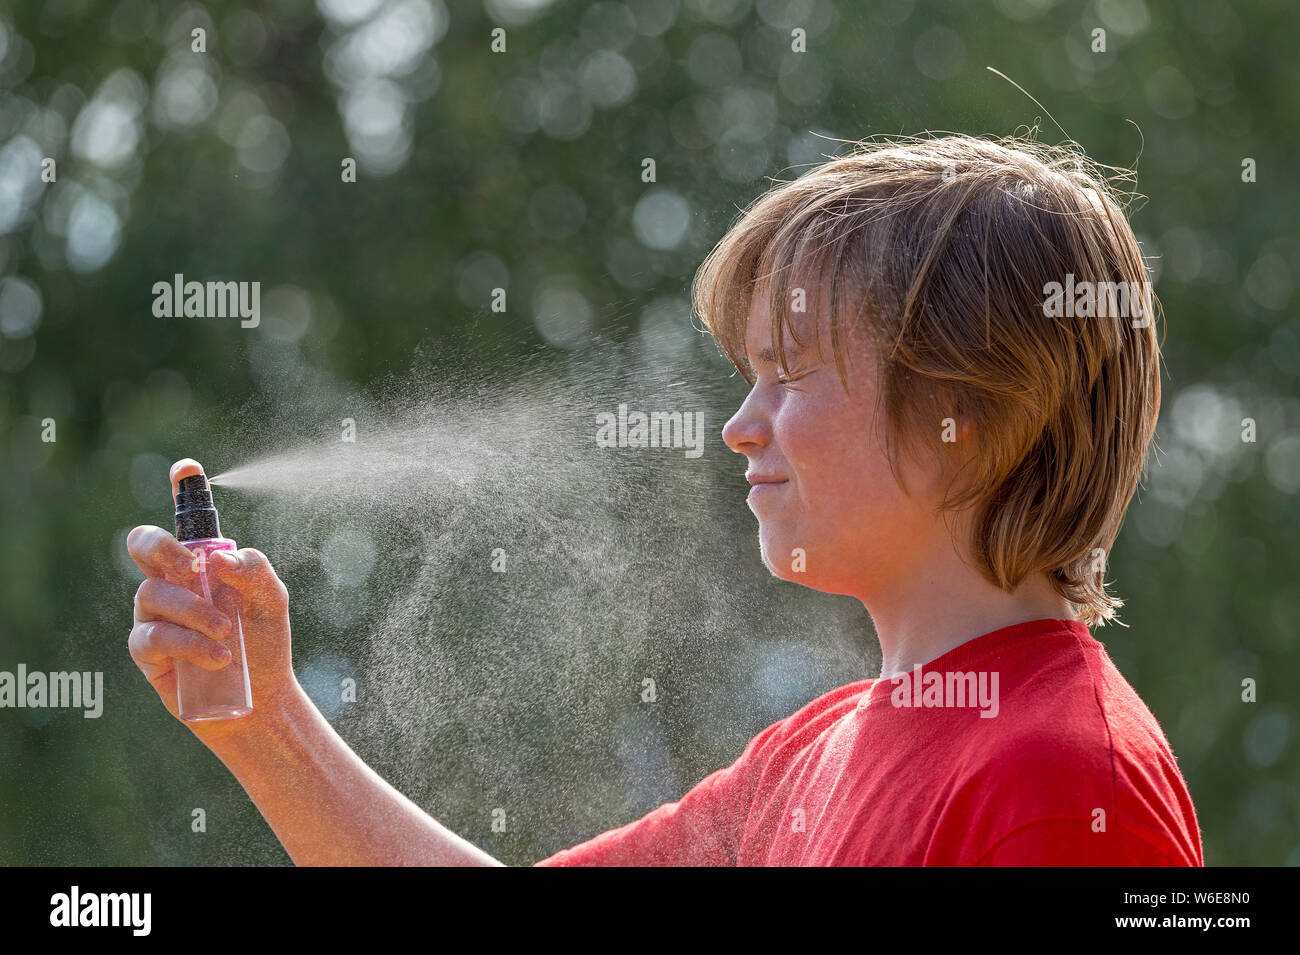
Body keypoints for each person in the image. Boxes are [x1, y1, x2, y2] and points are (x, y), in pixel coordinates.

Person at [126, 134, 1203, 866]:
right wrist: (266, 718)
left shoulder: (1063, 785)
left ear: (969, 410)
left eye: (793, 369)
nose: (742, 422)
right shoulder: (809, 753)